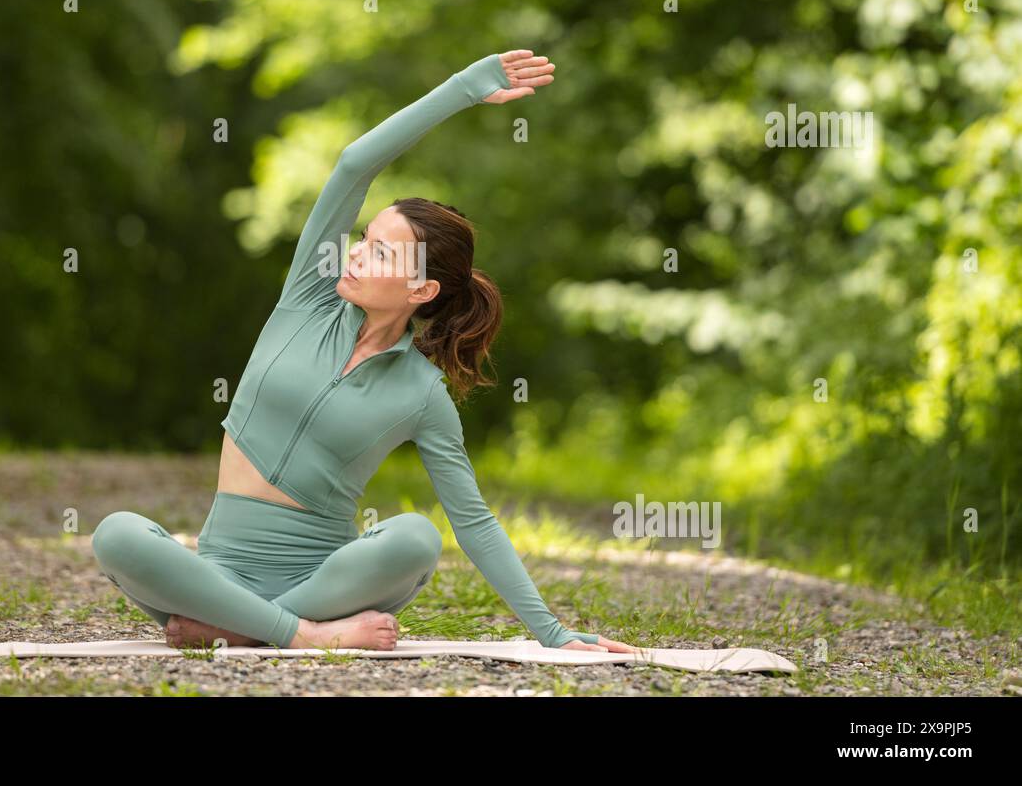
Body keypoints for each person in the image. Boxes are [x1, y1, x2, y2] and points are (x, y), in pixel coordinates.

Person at [91, 49, 639, 654]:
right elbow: (354, 164)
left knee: (415, 539)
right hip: (214, 576)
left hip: (321, 585)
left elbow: (473, 521)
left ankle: (243, 627)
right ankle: (291, 635)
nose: (355, 253)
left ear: (421, 289)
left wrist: (553, 633)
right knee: (118, 534)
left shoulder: (422, 392)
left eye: (381, 253)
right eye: (365, 239)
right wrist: (463, 88)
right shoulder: (309, 299)